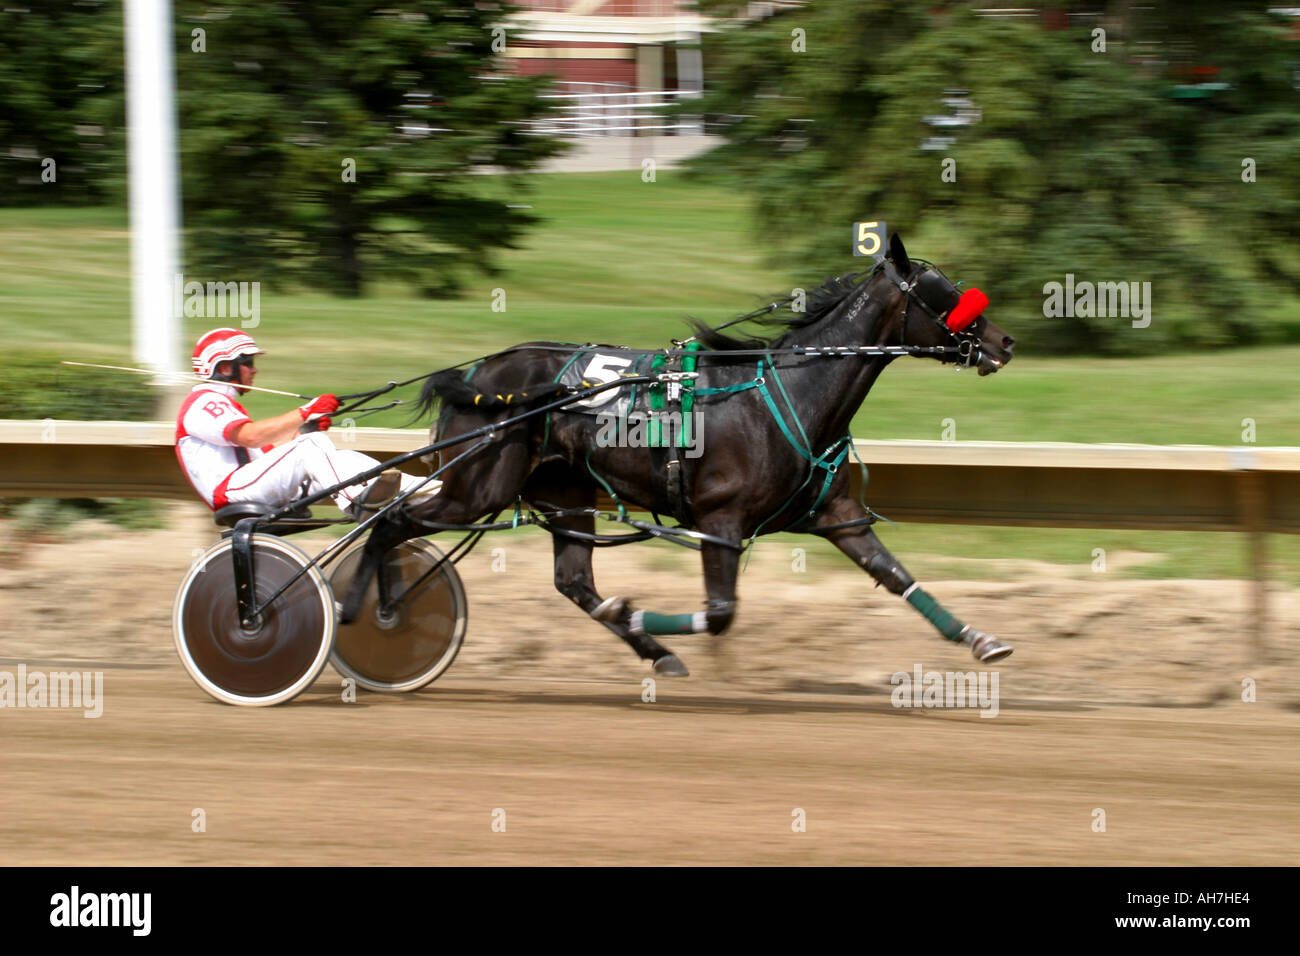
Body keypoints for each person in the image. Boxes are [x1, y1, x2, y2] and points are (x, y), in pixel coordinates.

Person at [175, 327, 438, 518]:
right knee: (310, 446)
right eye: (248, 362)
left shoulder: (223, 403)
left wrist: (305, 428)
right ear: (224, 368)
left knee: (329, 450)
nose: (255, 370)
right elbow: (252, 437)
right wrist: (306, 410)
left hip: (247, 483)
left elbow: (266, 453)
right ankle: (357, 503)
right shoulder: (203, 403)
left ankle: (427, 491)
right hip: (231, 491)